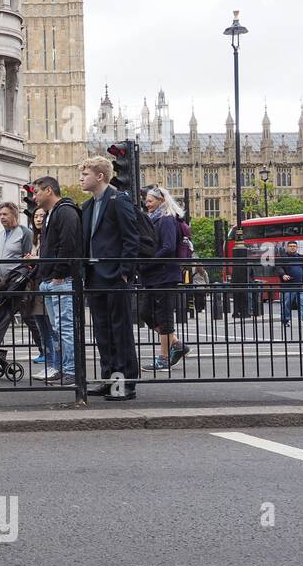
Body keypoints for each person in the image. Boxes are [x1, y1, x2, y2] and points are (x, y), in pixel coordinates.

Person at [79, 156, 140, 400]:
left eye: (85, 174)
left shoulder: (118, 200)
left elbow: (131, 237)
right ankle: (109, 379)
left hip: (115, 276)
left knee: (120, 331)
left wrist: (125, 272)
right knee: (102, 331)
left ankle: (126, 384)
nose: (81, 178)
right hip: (94, 276)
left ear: (100, 176)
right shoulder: (87, 205)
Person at [31, 176, 81, 383]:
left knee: (65, 326)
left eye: (37, 192)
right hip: (51, 278)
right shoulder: (53, 213)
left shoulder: (66, 211)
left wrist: (59, 273)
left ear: (49, 190)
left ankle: (72, 370)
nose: (34, 196)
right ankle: (62, 367)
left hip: (61, 279)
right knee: (57, 328)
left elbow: (67, 244)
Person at [140, 187, 190, 372]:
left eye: (150, 200)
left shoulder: (167, 219)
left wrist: (149, 262)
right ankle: (177, 344)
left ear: (161, 201)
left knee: (164, 317)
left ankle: (164, 358)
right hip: (153, 276)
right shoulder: (153, 219)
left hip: (165, 274)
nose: (147, 203)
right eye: (146, 200)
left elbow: (168, 248)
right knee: (146, 313)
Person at [26, 207, 52, 364]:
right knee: (40, 323)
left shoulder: (48, 237)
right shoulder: (34, 238)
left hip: (46, 281)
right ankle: (46, 353)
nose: (38, 219)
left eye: (42, 216)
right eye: (36, 216)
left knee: (50, 324)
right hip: (35, 284)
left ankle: (53, 358)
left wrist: (35, 258)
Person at [280, 240, 303, 329]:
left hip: (300, 285)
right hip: (288, 285)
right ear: (287, 247)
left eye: (294, 246)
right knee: (287, 304)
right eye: (290, 246)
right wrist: (283, 274)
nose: (292, 247)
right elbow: (278, 268)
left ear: (297, 248)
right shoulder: (283, 257)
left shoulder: (300, 258)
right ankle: (286, 320)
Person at [0, 202, 34, 277]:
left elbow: (28, 259)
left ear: (14, 215)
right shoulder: (1, 234)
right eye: (0, 214)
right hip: (1, 281)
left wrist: (18, 276)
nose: (2, 217)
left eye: (5, 214)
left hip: (16, 281)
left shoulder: (25, 232)